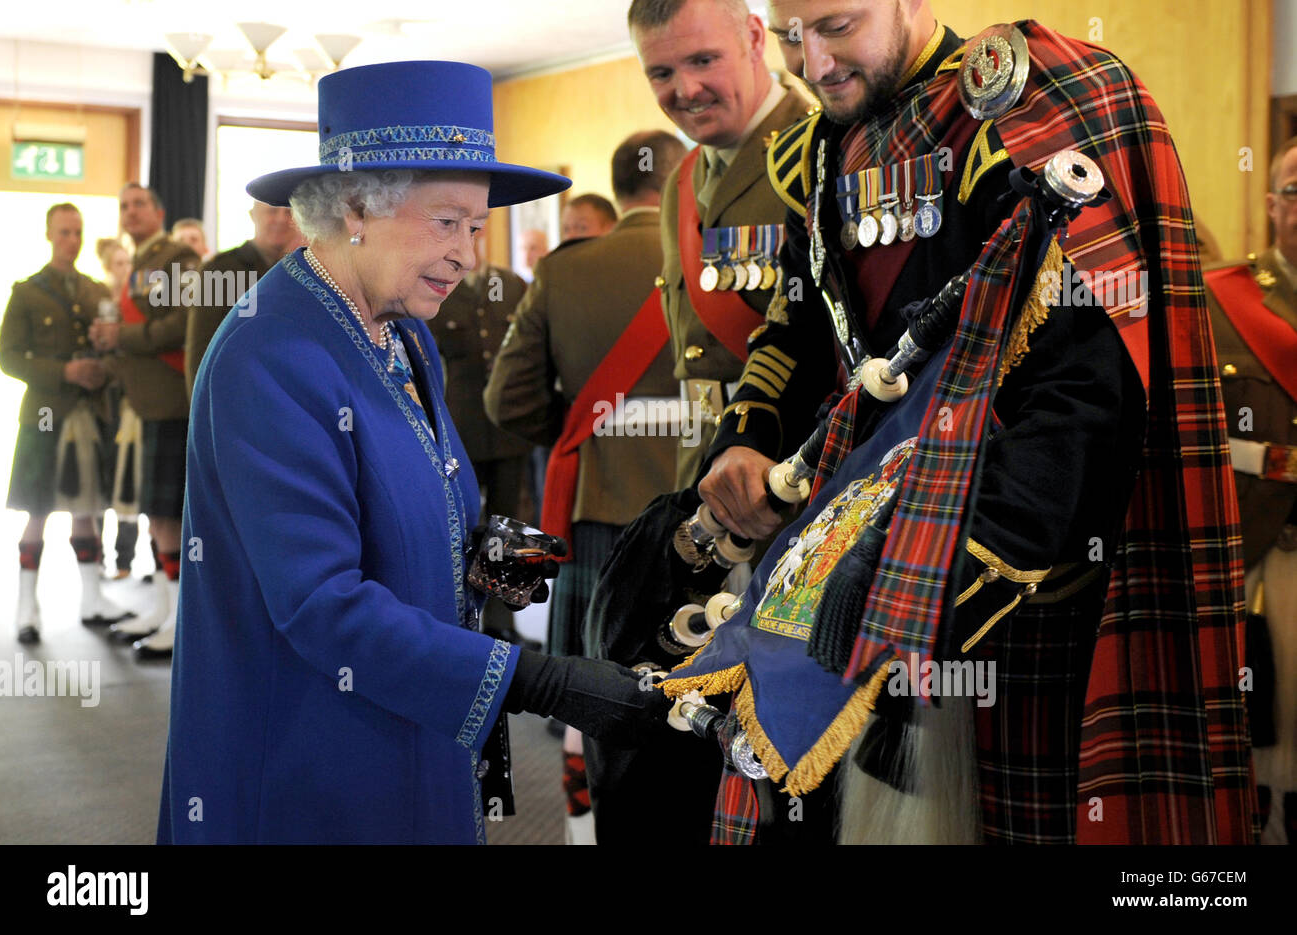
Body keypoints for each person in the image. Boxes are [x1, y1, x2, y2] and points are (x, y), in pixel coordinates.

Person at [650, 0, 1257, 844]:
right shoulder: (813, 150)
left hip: (1017, 579)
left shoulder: (1034, 101)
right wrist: (748, 435)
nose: (814, 64)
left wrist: (937, 573)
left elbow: (1088, 389)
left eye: (835, 26)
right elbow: (799, 322)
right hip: (857, 569)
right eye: (791, 35)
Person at [157, 60, 670, 845]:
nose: (469, 254)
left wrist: (485, 550)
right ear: (358, 205)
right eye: (448, 222)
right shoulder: (268, 355)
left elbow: (429, 499)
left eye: (476, 226)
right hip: (310, 759)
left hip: (408, 726)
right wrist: (540, 678)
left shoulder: (404, 332)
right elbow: (321, 604)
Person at [485, 130, 693, 843]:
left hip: (599, 518)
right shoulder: (716, 256)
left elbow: (507, 402)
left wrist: (585, 429)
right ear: (682, 179)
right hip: (711, 517)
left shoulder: (565, 270)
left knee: (592, 693)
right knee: (705, 693)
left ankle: (586, 831)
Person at [630, 0, 812, 489]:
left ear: (755, 38)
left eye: (703, 60)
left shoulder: (820, 146)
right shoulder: (681, 183)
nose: (685, 90)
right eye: (661, 72)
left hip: (793, 471)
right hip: (706, 471)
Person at [1203, 136, 1297, 844]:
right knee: (1262, 750)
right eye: (1296, 191)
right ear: (1271, 207)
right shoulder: (1222, 301)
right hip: (1264, 561)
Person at [0, 204, 134, 642]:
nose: (71, 240)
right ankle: (26, 608)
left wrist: (101, 370)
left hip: (88, 414)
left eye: (77, 233)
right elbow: (8, 356)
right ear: (48, 234)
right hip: (43, 416)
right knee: (35, 509)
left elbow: (116, 349)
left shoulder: (97, 291)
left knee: (88, 507)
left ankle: (92, 599)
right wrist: (63, 372)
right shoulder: (26, 292)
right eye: (63, 233)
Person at [90, 184, 200, 655]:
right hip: (144, 401)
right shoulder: (139, 262)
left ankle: (180, 620)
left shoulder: (176, 257)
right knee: (155, 516)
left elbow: (185, 322)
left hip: (171, 400)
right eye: (123, 206)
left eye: (139, 204)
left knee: (169, 514)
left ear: (159, 211)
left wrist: (125, 334)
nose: (130, 212)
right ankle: (162, 607)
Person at [426, 231, 533, 645]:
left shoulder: (512, 286)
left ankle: (506, 623)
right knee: (464, 525)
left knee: (511, 528)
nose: (475, 243)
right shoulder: (441, 286)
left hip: (508, 430)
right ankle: (463, 619)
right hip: (460, 429)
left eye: (478, 233)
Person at [184, 200, 302, 400]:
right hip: (235, 397)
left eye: (289, 212)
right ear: (252, 215)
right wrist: (202, 408)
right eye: (272, 211)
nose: (281, 219)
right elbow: (200, 349)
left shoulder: (303, 271)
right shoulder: (221, 270)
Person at [94, 237, 141, 581]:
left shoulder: (139, 303)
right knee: (100, 479)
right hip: (102, 401)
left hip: (132, 401)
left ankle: (125, 560)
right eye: (117, 264)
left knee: (129, 481)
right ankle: (95, 554)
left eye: (127, 263)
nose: (123, 269)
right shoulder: (98, 304)